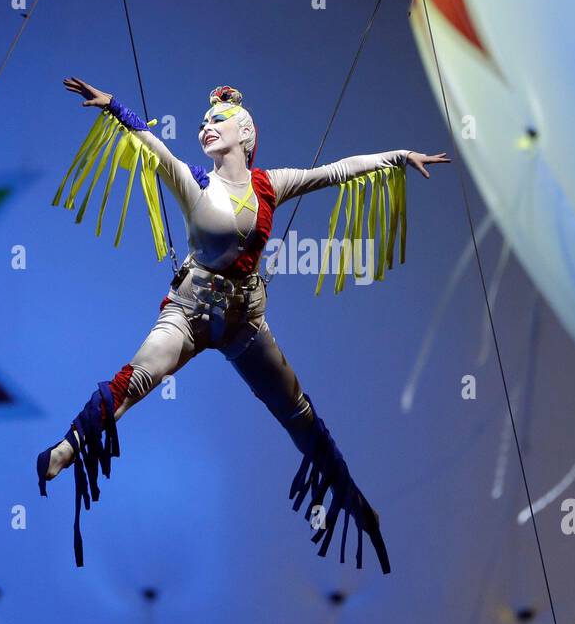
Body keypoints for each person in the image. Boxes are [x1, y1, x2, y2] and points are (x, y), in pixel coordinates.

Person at [38, 79, 449, 572]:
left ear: (245, 132)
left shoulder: (269, 185)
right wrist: (115, 107)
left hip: (244, 324)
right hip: (188, 314)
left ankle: (354, 503)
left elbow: (336, 171)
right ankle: (67, 449)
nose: (205, 127)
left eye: (217, 121)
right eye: (203, 123)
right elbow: (150, 146)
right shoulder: (194, 182)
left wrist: (400, 155)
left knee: (299, 416)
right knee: (139, 377)